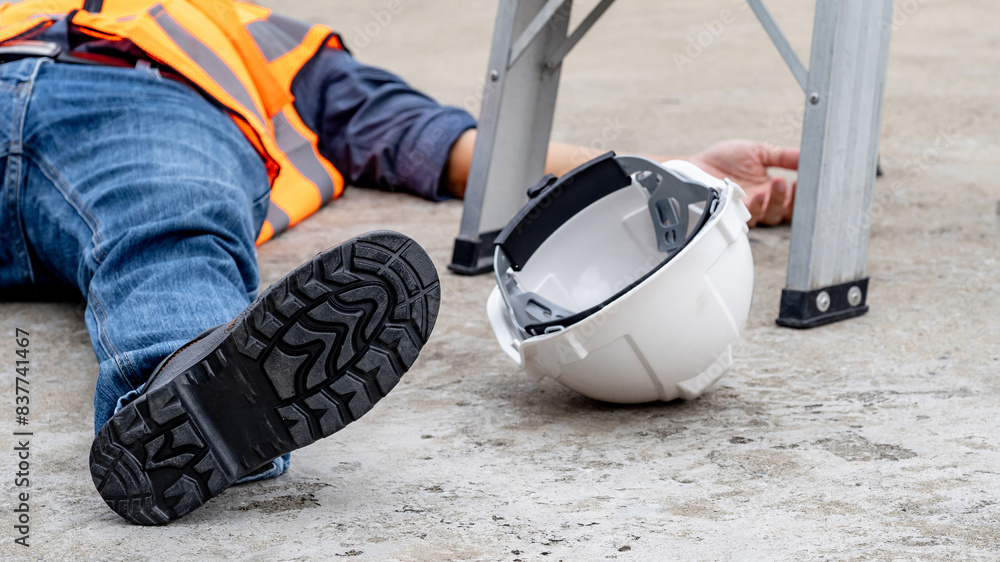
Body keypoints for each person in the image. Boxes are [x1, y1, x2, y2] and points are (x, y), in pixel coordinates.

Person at [0, 1, 798, 524]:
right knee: (171, 226)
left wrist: (675, 174)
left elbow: (419, 134)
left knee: (169, 228)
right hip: (124, 104)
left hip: (143, 108)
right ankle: (195, 395)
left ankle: (182, 394)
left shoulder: (233, 26)